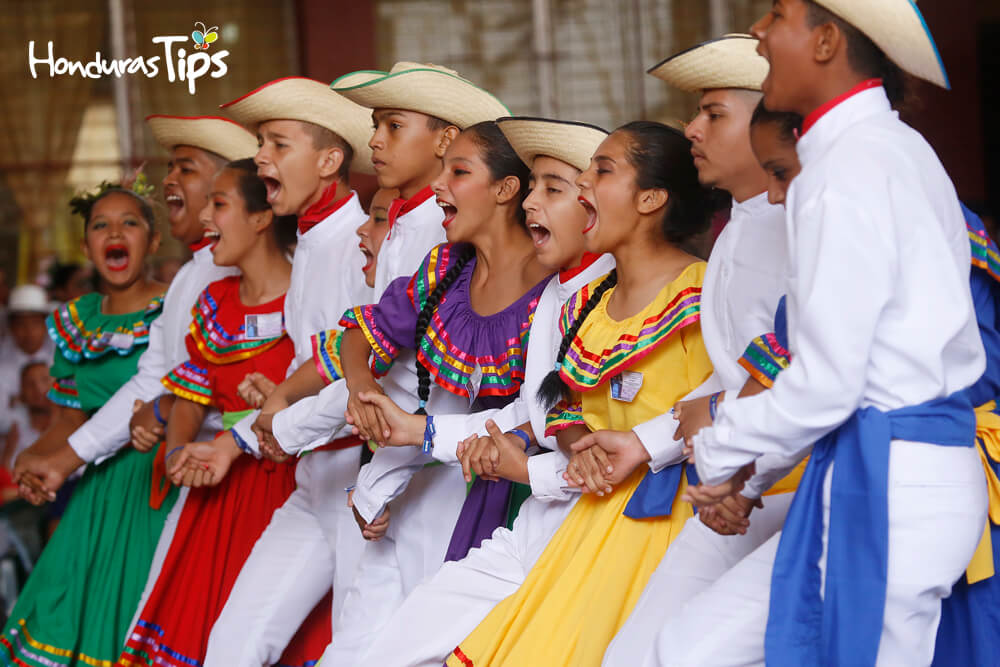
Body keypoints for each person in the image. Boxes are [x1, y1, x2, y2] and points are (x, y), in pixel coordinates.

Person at [652, 2, 987, 664]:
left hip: (889, 480)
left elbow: (827, 383)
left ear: (827, 41)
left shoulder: (844, 168)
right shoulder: (891, 148)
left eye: (778, 14)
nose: (758, 30)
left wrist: (721, 452)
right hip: (887, 472)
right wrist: (746, 475)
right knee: (689, 647)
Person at [204, 66, 506, 667]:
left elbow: (401, 374)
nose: (376, 141)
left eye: (392, 126)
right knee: (255, 640)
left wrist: (277, 423)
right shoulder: (399, 228)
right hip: (356, 465)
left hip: (400, 468)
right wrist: (287, 405)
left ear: (445, 141)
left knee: (381, 645)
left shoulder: (441, 234)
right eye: (375, 126)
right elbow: (356, 343)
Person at [445, 120, 713, 667]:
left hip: (678, 518)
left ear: (651, 199)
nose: (584, 182)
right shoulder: (594, 308)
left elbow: (726, 396)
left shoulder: (702, 292)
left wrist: (638, 444)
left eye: (601, 171)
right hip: (596, 516)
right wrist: (581, 445)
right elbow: (566, 405)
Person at [355, 116, 615, 667]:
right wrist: (391, 440)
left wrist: (524, 456)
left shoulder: (577, 290)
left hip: (545, 498)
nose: (531, 203)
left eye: (552, 189)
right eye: (536, 186)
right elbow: (540, 413)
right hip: (495, 484)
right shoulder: (529, 286)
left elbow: (593, 427)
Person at [311, 119, 549, 664]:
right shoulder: (446, 269)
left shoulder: (552, 285)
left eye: (458, 172)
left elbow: (544, 413)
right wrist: (361, 387)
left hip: (506, 495)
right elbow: (361, 332)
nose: (439, 185)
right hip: (419, 483)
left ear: (506, 189)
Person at [596, 36, 801, 664]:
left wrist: (737, 468)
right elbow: (731, 374)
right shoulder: (738, 228)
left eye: (714, 114)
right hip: (737, 475)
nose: (691, 129)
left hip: (785, 478)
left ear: (769, 125)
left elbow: (796, 367)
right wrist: (645, 442)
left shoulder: (797, 224)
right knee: (642, 652)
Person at [189, 77, 374, 667]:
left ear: (329, 161)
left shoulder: (362, 245)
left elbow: (365, 375)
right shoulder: (310, 244)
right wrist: (264, 414)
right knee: (233, 644)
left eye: (278, 143)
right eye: (260, 143)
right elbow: (308, 369)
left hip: (360, 487)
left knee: (355, 650)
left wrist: (269, 422)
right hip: (312, 478)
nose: (261, 157)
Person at [12, 115, 254, 503]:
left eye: (185, 169)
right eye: (170, 167)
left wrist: (163, 411)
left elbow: (236, 385)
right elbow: (153, 379)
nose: (169, 179)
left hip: (232, 472)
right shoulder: (188, 278)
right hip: (189, 475)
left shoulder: (241, 273)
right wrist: (60, 461)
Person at [117, 158, 301, 667]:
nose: (204, 217)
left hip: (289, 487)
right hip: (218, 493)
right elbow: (192, 394)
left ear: (261, 217)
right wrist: (179, 452)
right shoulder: (214, 301)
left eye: (219, 204)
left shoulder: (305, 300)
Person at [1, 177, 168, 666]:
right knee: (67, 615)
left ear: (153, 241)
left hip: (160, 483)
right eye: (101, 225)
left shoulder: (175, 307)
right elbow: (69, 420)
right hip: (97, 489)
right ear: (86, 246)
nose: (114, 233)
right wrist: (33, 458)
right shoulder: (77, 321)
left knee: (138, 616)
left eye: (129, 223)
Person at [0, 286, 55, 434]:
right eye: (21, 324)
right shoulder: (3, 369)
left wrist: (18, 404)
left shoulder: (61, 361)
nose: (29, 331)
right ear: (11, 328)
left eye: (35, 323)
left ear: (46, 325)